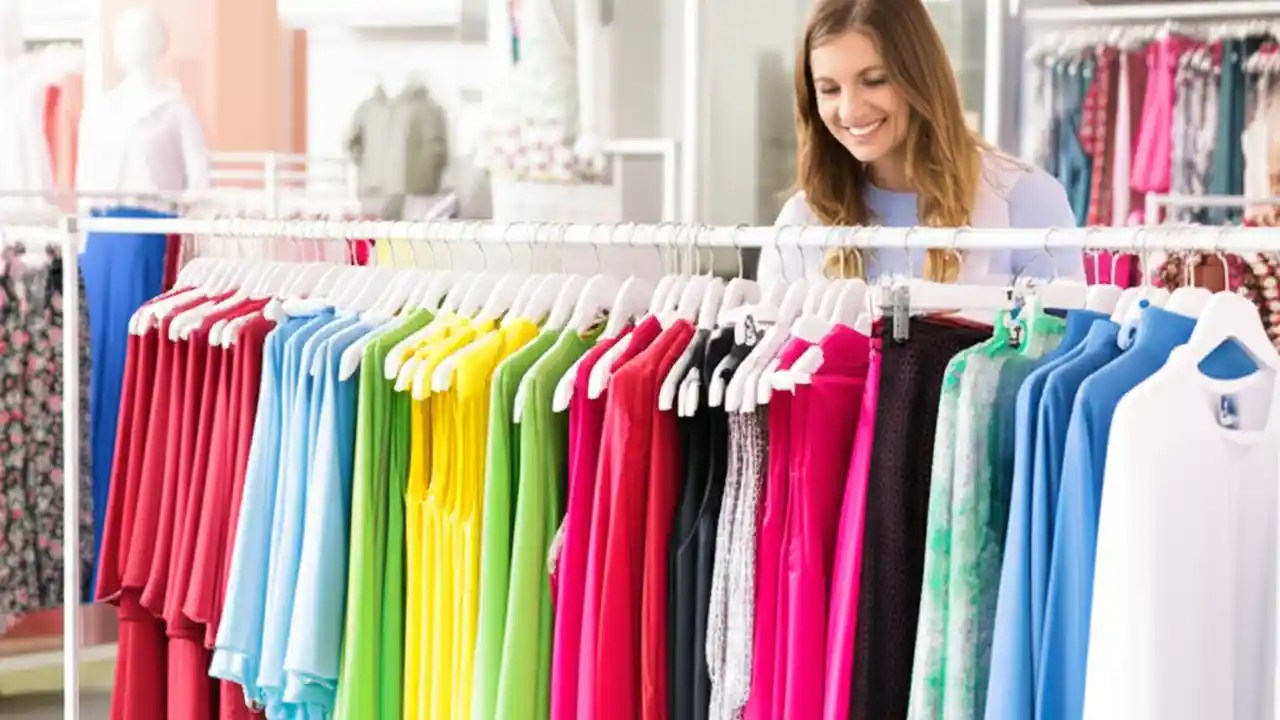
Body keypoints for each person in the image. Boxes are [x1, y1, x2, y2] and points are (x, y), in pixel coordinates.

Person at [758, 0, 1083, 287]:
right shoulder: (800, 224)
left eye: (874, 81)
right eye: (829, 89)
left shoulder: (1025, 200)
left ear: (920, 79)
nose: (850, 110)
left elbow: (1062, 350)